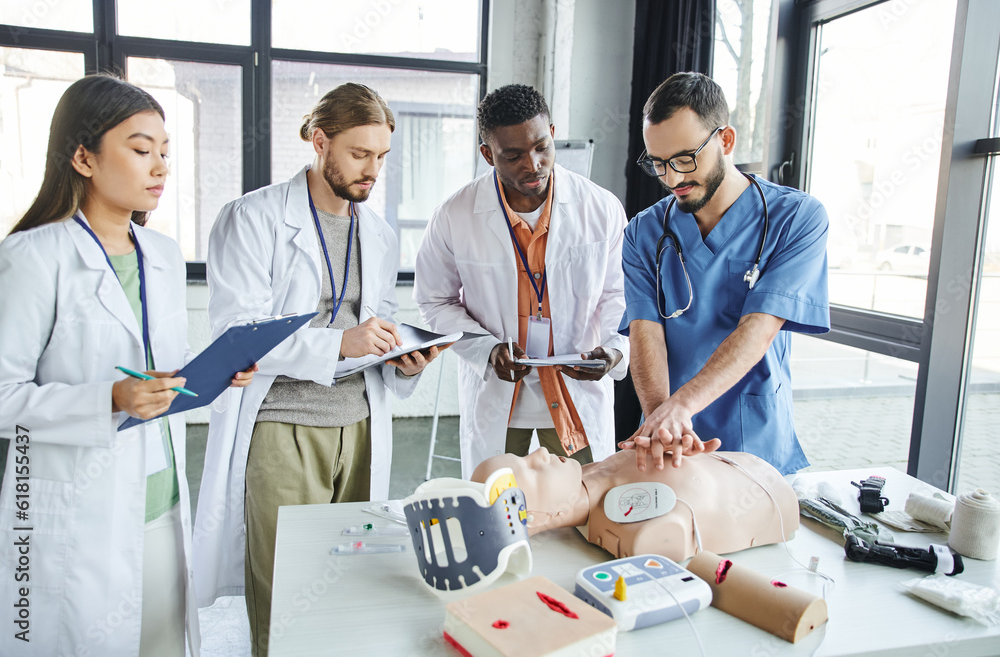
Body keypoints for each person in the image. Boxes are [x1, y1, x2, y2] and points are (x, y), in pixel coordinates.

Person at [0, 74, 254, 656]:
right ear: (83, 157)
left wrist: (208, 375)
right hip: (78, 511)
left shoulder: (160, 256)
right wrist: (107, 399)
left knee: (161, 646)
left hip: (161, 501)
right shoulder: (32, 257)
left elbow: (149, 371)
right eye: (141, 150)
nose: (160, 167)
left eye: (165, 152)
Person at [193, 83, 444, 657]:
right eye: (359, 154)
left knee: (348, 588)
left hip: (359, 425)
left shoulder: (377, 234)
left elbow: (374, 331)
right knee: (285, 591)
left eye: (381, 156)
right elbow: (237, 335)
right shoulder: (251, 218)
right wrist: (340, 344)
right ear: (319, 140)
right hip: (284, 427)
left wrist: (404, 359)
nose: (372, 170)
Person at [414, 84, 629, 479]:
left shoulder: (601, 207)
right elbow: (434, 300)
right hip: (499, 396)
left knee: (582, 509)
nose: (533, 165)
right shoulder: (454, 214)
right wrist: (486, 350)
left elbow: (620, 293)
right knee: (494, 511)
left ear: (551, 130)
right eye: (512, 156)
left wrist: (615, 351)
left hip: (572, 393)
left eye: (542, 146)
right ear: (487, 155)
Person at [619, 72, 830, 475]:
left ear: (726, 141)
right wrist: (662, 421)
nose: (673, 179)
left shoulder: (797, 218)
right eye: (659, 164)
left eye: (684, 159)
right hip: (672, 437)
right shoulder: (644, 232)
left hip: (754, 435)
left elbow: (758, 328)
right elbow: (645, 332)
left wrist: (680, 407)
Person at [470, 446, 799, 562]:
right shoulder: (637, 530)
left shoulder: (592, 474)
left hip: (755, 473)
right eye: (531, 469)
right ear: (537, 517)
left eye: (526, 457)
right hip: (772, 500)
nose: (540, 453)